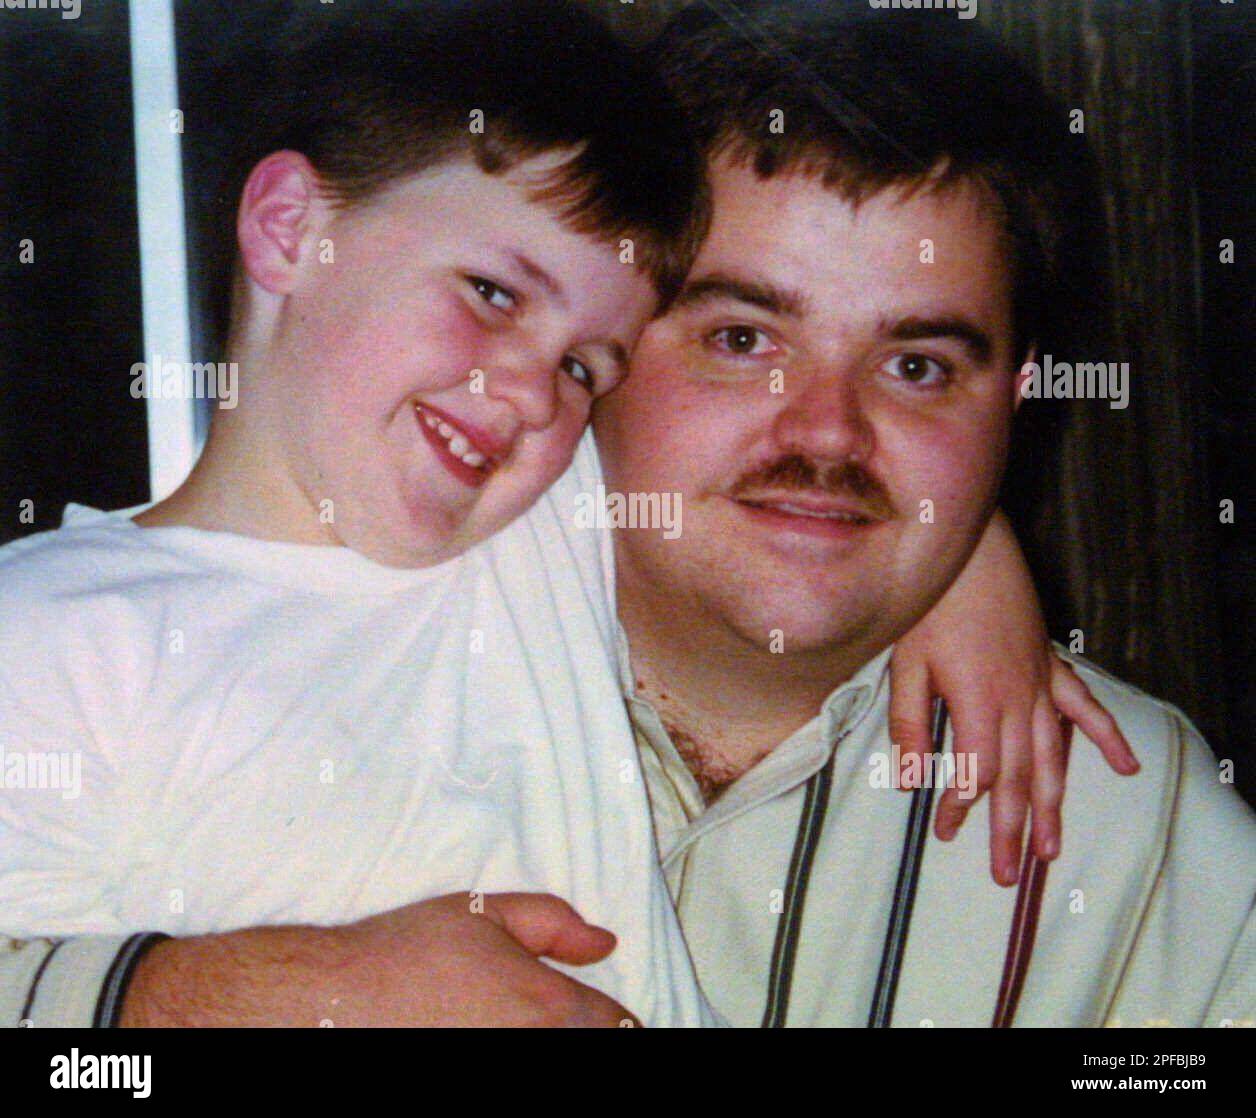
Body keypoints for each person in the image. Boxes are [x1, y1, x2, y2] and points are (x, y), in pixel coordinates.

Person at [0, 2, 1146, 1030]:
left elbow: (833, 487)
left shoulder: (522, 526)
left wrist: (966, 574)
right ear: (293, 224)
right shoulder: (55, 643)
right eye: (491, 292)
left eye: (586, 367)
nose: (526, 394)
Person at [582, 3, 1253, 1026]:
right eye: (741, 339)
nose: (829, 433)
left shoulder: (1144, 836)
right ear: (596, 334)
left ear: (1017, 397)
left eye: (915, 366)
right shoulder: (363, 653)